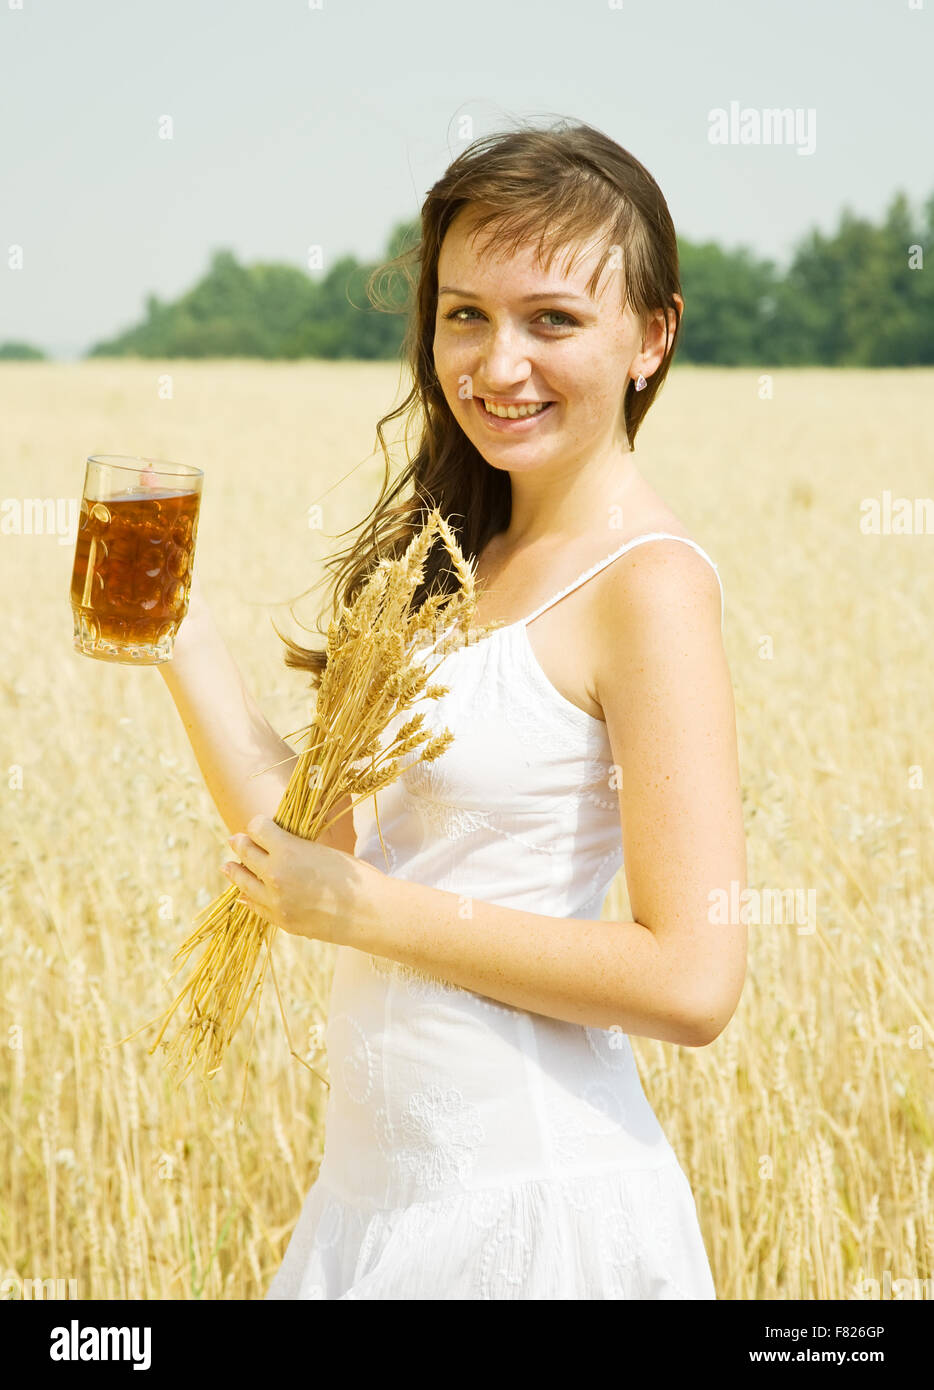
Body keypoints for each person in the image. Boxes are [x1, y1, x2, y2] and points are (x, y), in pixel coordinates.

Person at [161, 119, 747, 1299]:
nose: (496, 362)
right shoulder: (464, 553)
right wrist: (179, 636)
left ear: (652, 335)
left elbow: (691, 980)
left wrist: (369, 912)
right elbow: (321, 851)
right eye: (465, 313)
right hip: (377, 1204)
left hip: (531, 1218)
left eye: (555, 319)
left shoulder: (649, 585)